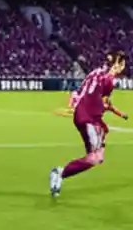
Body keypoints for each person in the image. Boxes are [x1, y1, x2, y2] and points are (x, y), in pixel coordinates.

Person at [49, 51, 128, 199]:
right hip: (89, 118)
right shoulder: (109, 80)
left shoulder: (95, 72)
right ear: (117, 63)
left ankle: (96, 150)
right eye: (122, 64)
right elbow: (104, 100)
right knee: (94, 158)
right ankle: (59, 173)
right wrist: (108, 106)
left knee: (102, 139)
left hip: (84, 116)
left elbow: (78, 92)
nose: (123, 67)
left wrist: (74, 104)